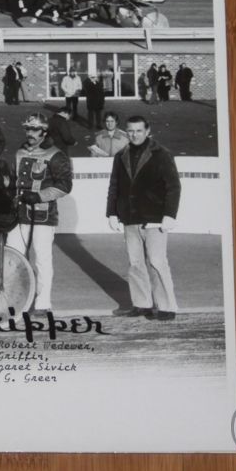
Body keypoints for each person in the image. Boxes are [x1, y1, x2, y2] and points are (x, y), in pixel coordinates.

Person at [106, 116, 181, 321]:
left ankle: (166, 307)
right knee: (135, 263)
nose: (134, 135)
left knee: (157, 261)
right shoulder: (121, 155)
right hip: (130, 217)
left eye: (139, 131)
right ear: (126, 132)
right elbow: (114, 186)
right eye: (130, 131)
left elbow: (173, 186)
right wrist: (112, 212)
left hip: (155, 218)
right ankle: (142, 304)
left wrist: (169, 214)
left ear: (148, 131)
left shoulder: (161, 154)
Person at [5, 112, 74, 313]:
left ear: (44, 132)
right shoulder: (19, 152)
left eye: (34, 129)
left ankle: (43, 303)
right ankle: (14, 299)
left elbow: (65, 186)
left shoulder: (56, 155)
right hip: (19, 215)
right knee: (13, 257)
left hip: (44, 217)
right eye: (27, 128)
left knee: (42, 260)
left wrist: (40, 196)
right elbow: (14, 180)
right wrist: (3, 181)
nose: (30, 133)